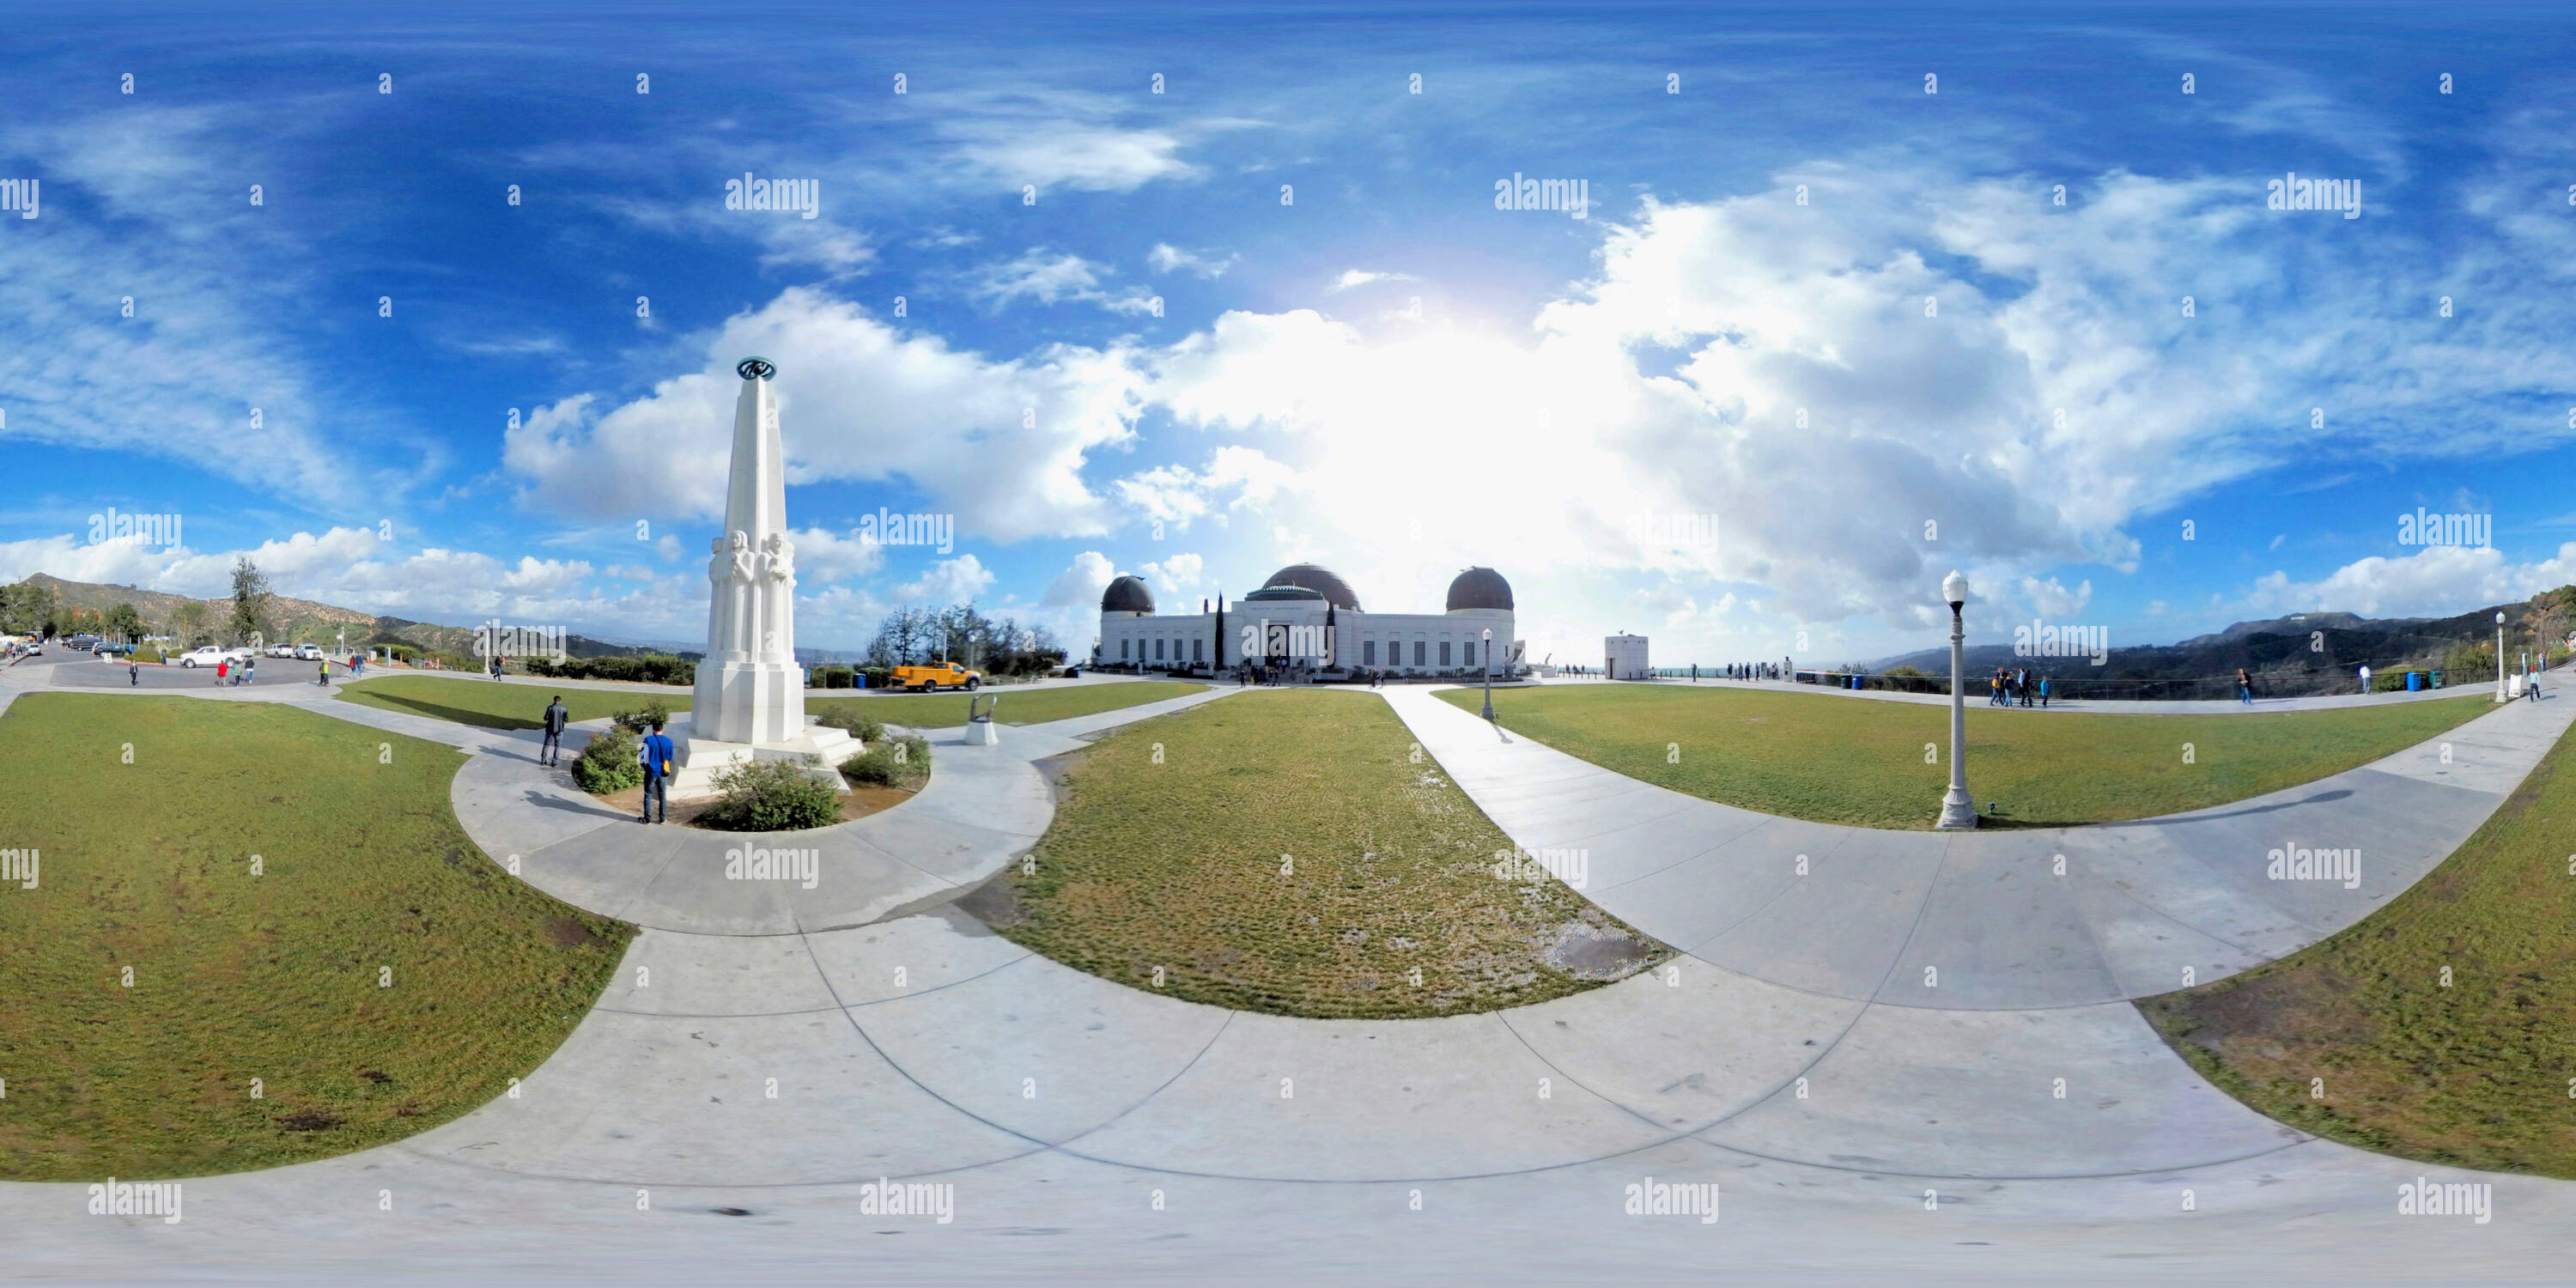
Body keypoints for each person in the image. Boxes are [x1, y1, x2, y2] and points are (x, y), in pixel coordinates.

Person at [638, 719, 676, 823]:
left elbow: (642, 757)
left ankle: (647, 818)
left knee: (648, 794)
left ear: (653, 729)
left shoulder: (648, 740)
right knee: (662, 795)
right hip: (663, 773)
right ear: (662, 729)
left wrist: (645, 767)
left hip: (651, 772)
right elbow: (669, 757)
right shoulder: (669, 741)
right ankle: (662, 818)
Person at [541, 695, 569, 767]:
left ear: (553, 701)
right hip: (559, 730)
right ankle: (554, 762)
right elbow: (566, 719)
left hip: (550, 729)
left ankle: (543, 760)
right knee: (558, 746)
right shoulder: (564, 708)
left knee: (546, 744)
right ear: (560, 701)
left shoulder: (550, 708)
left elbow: (545, 718)